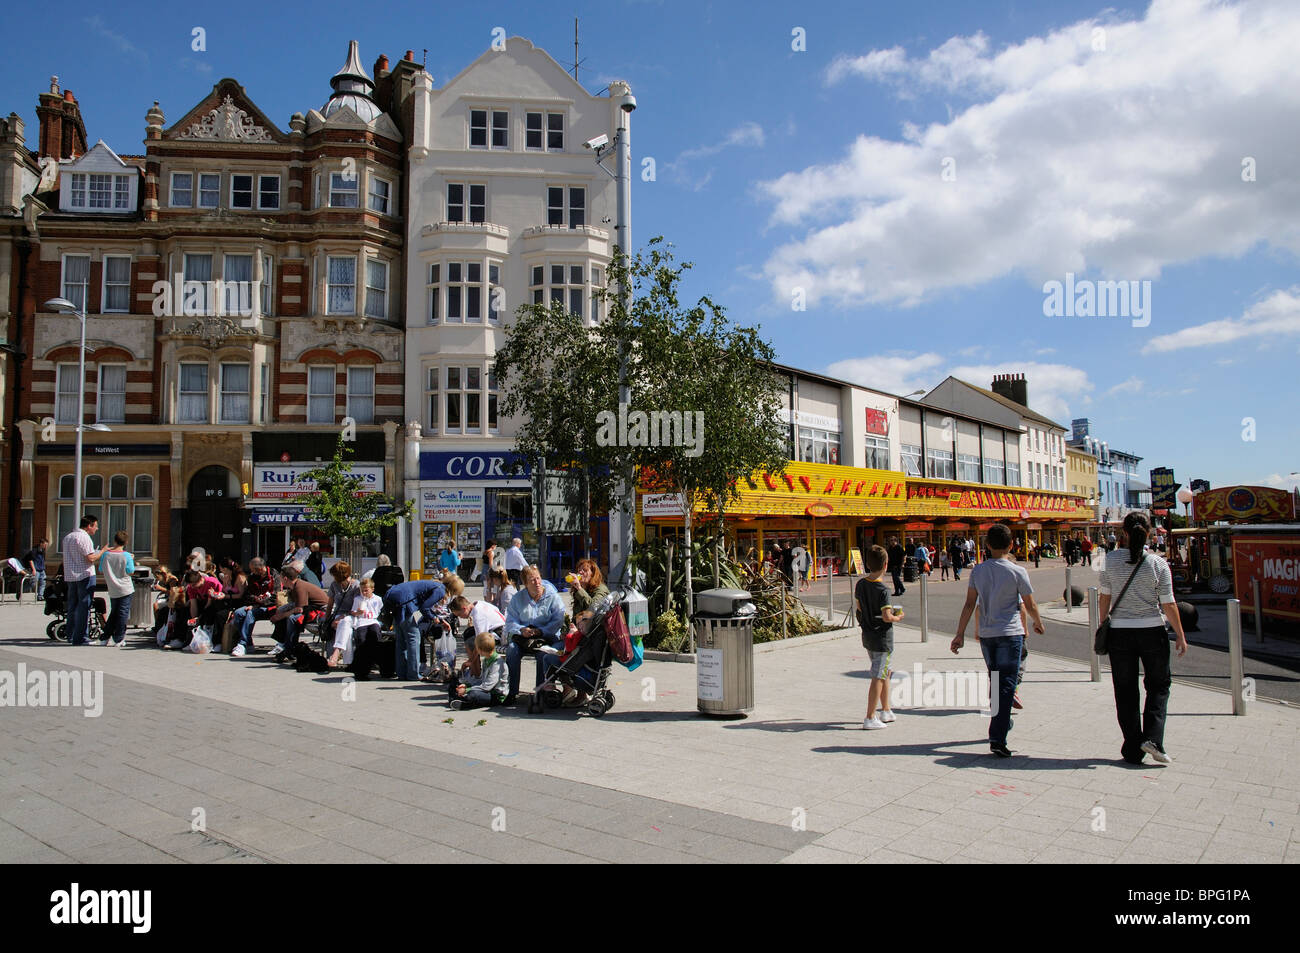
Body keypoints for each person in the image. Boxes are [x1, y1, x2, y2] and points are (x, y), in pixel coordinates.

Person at [1099, 512, 1188, 765]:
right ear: (1149, 532)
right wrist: (1180, 635)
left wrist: (1103, 622)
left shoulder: (1110, 560)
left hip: (1120, 633)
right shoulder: (1158, 564)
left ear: (1124, 533)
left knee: (1125, 690)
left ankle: (1132, 747)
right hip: (1152, 631)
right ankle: (1153, 739)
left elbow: (1104, 597)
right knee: (1158, 686)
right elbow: (1168, 603)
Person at [950, 523, 1045, 758]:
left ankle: (1001, 726)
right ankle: (998, 736)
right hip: (1010, 633)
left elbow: (970, 604)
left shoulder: (978, 571)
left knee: (996, 681)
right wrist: (1037, 621)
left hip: (987, 634)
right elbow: (1029, 603)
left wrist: (960, 633)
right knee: (1006, 685)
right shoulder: (1017, 571)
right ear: (1011, 545)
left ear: (987, 545)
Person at [856, 545, 904, 729]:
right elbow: (886, 616)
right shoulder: (883, 589)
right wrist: (897, 617)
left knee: (885, 671)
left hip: (867, 634)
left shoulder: (861, 584)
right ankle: (870, 717)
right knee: (879, 674)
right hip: (882, 636)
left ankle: (886, 709)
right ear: (886, 564)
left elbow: (859, 607)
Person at [504, 564, 565, 702]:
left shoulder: (552, 596)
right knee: (512, 650)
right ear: (525, 583)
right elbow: (509, 622)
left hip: (546, 637)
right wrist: (521, 629)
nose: (537, 582)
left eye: (538, 578)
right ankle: (511, 692)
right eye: (532, 580)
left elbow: (558, 620)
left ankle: (540, 691)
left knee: (542, 655)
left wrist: (541, 631)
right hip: (524, 638)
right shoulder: (518, 598)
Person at [382, 577, 448, 681]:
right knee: (414, 639)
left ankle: (402, 673)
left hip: (394, 600)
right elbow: (425, 608)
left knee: (401, 641)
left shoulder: (429, 584)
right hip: (404, 603)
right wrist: (434, 618)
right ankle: (413, 674)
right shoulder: (440, 589)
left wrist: (435, 617)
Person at [269, 563, 329, 660]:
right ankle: (286, 646)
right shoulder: (294, 586)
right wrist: (280, 613)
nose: (279, 579)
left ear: (285, 578)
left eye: (280, 577)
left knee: (292, 619)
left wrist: (282, 616)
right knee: (282, 612)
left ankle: (289, 649)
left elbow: (299, 609)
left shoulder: (299, 587)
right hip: (309, 608)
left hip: (321, 611)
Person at [62, 516, 106, 646]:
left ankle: (71, 634)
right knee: (84, 606)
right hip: (84, 575)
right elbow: (91, 558)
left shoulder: (68, 537)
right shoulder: (84, 538)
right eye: (95, 526)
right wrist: (102, 551)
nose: (97, 529)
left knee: (72, 605)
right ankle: (81, 637)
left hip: (70, 575)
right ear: (89, 526)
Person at [328, 577, 383, 669]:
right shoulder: (358, 599)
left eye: (366, 591)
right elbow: (352, 612)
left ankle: (376, 658)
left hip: (373, 620)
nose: (364, 593)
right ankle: (361, 660)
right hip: (361, 621)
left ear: (372, 589)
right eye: (362, 591)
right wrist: (358, 612)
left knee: (375, 634)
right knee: (361, 637)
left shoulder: (377, 599)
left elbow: (380, 611)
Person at [450, 631, 509, 710]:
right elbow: (481, 680)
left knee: (473, 694)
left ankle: (465, 703)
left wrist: (467, 690)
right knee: (454, 685)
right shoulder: (486, 660)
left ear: (480, 650)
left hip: (496, 695)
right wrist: (466, 685)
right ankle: (458, 699)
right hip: (485, 691)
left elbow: (487, 686)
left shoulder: (497, 663)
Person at [99, 531, 136, 647]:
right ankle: (119, 638)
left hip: (112, 587)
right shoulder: (127, 556)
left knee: (114, 613)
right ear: (126, 542)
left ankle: (105, 637)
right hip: (125, 587)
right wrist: (132, 559)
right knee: (122, 614)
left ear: (115, 541)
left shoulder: (106, 555)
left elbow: (101, 569)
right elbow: (130, 571)